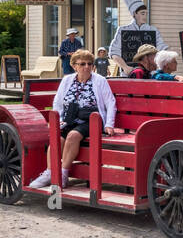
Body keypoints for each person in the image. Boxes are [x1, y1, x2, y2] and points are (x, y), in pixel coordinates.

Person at [29, 49, 121, 189]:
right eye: (82, 64)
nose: (87, 67)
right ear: (74, 66)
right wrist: (58, 119)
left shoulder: (99, 80)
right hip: (70, 118)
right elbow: (58, 102)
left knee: (73, 136)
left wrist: (109, 124)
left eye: (90, 64)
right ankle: (50, 173)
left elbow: (110, 103)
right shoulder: (67, 80)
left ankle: (63, 174)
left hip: (91, 120)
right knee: (57, 138)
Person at [107, 0, 168, 74]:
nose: (145, 16)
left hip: (151, 72)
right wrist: (125, 67)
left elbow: (162, 49)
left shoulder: (153, 30)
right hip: (129, 73)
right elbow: (114, 52)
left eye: (146, 14)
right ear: (134, 14)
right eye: (142, 13)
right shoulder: (123, 30)